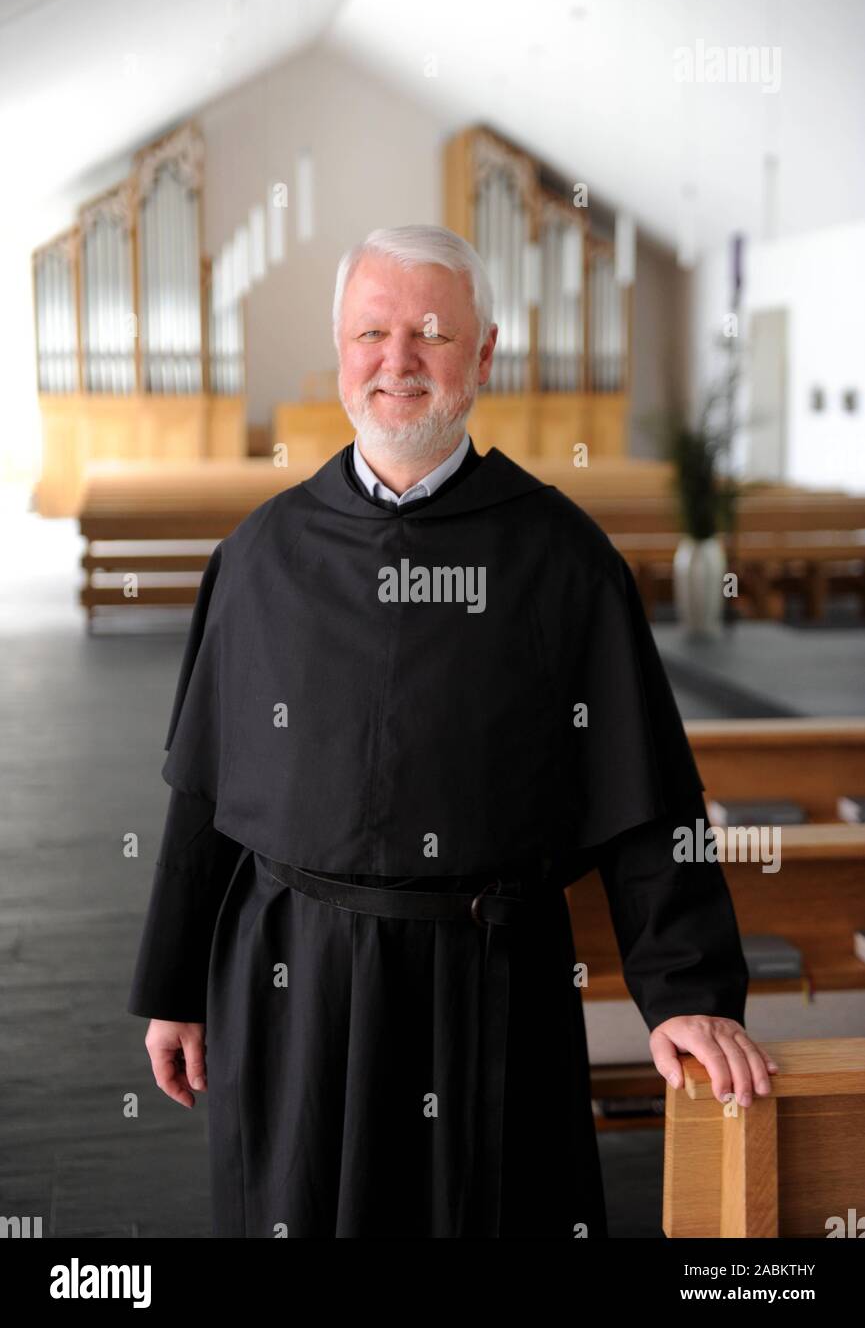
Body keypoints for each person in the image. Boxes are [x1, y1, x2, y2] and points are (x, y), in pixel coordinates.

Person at [127, 224, 776, 1239]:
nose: (397, 360)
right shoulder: (257, 558)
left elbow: (647, 801)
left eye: (429, 333)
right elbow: (204, 789)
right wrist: (173, 984)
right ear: (340, 351)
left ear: (482, 355)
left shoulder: (564, 561)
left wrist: (690, 993)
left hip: (488, 985)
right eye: (371, 332)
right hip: (291, 979)